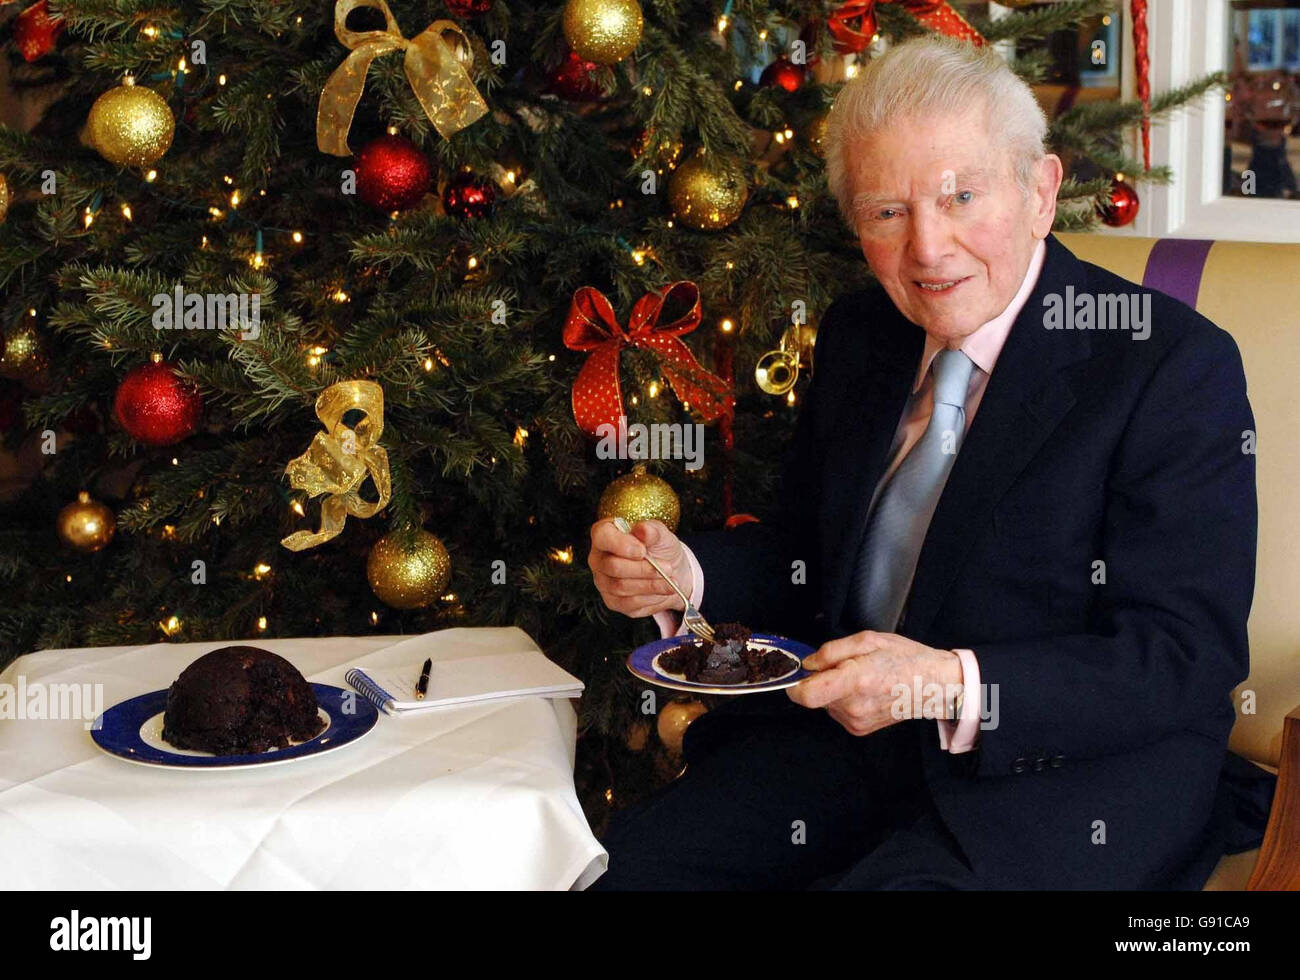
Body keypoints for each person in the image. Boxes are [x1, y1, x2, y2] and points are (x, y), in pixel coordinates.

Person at [586, 35, 1257, 890]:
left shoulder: (1168, 365)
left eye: (962, 195)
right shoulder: (863, 334)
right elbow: (810, 560)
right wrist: (686, 573)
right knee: (623, 874)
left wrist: (944, 685)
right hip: (847, 749)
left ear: (1041, 191)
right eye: (887, 212)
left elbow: (1183, 654)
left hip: (1063, 780)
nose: (929, 250)